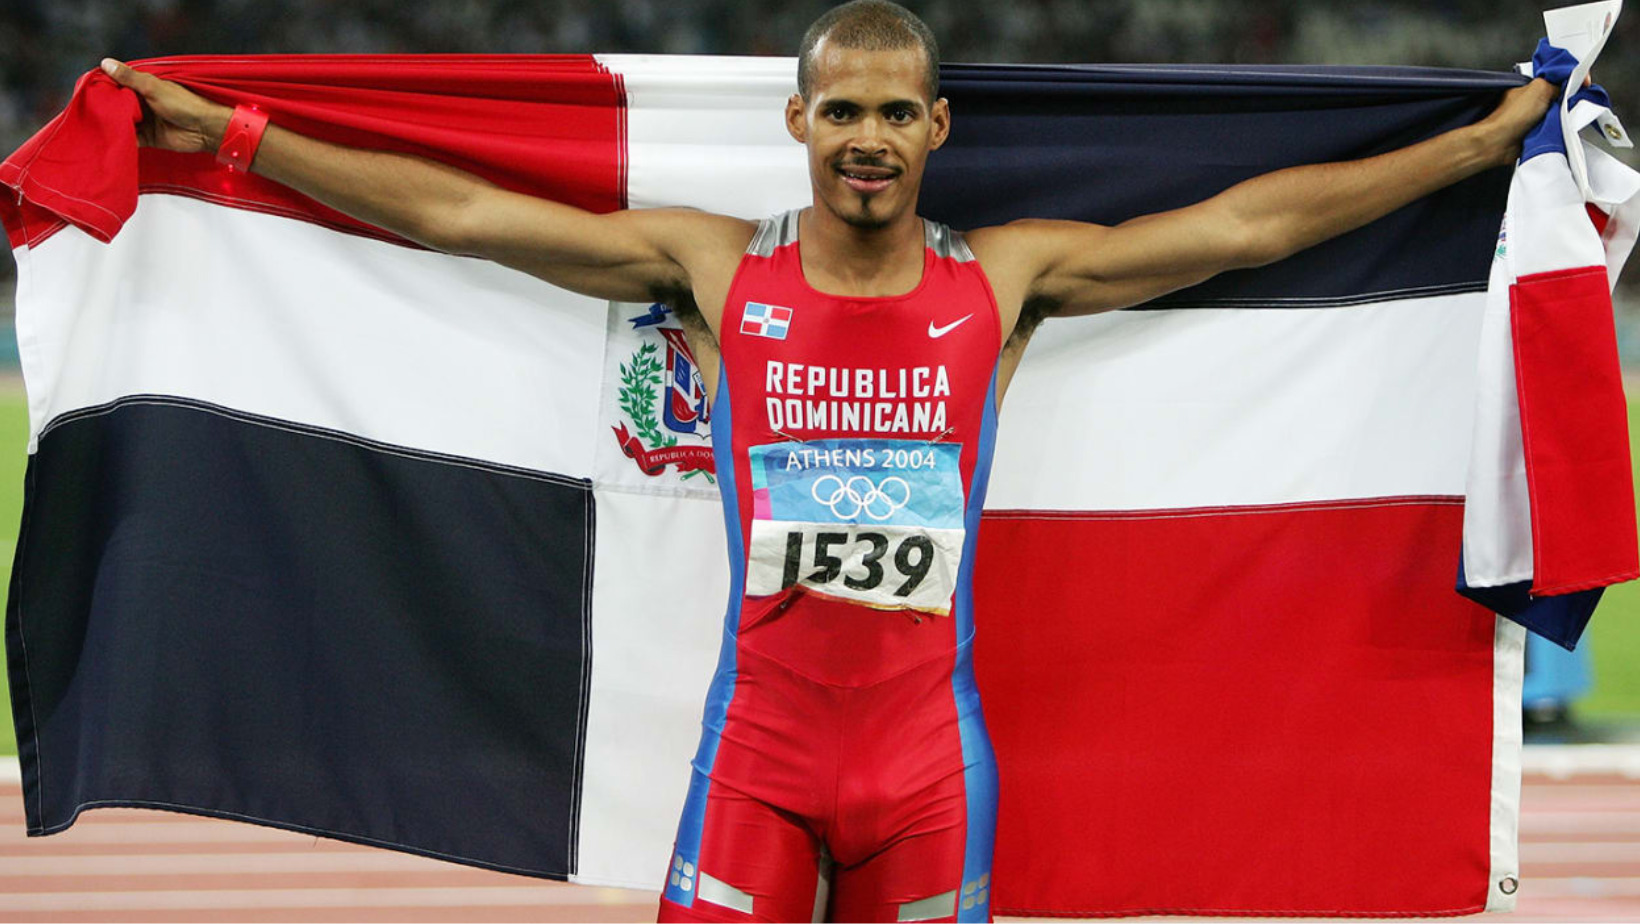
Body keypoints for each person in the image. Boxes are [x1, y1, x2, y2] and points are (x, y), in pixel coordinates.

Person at [99, 1, 1559, 920]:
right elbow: (468, 219)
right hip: (758, 757)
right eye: (841, 111)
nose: (867, 140)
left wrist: (1474, 148)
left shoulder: (1006, 279)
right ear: (800, 122)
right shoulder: (719, 271)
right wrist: (239, 135)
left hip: (932, 767)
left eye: (893, 112)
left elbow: (1250, 229)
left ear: (938, 125)